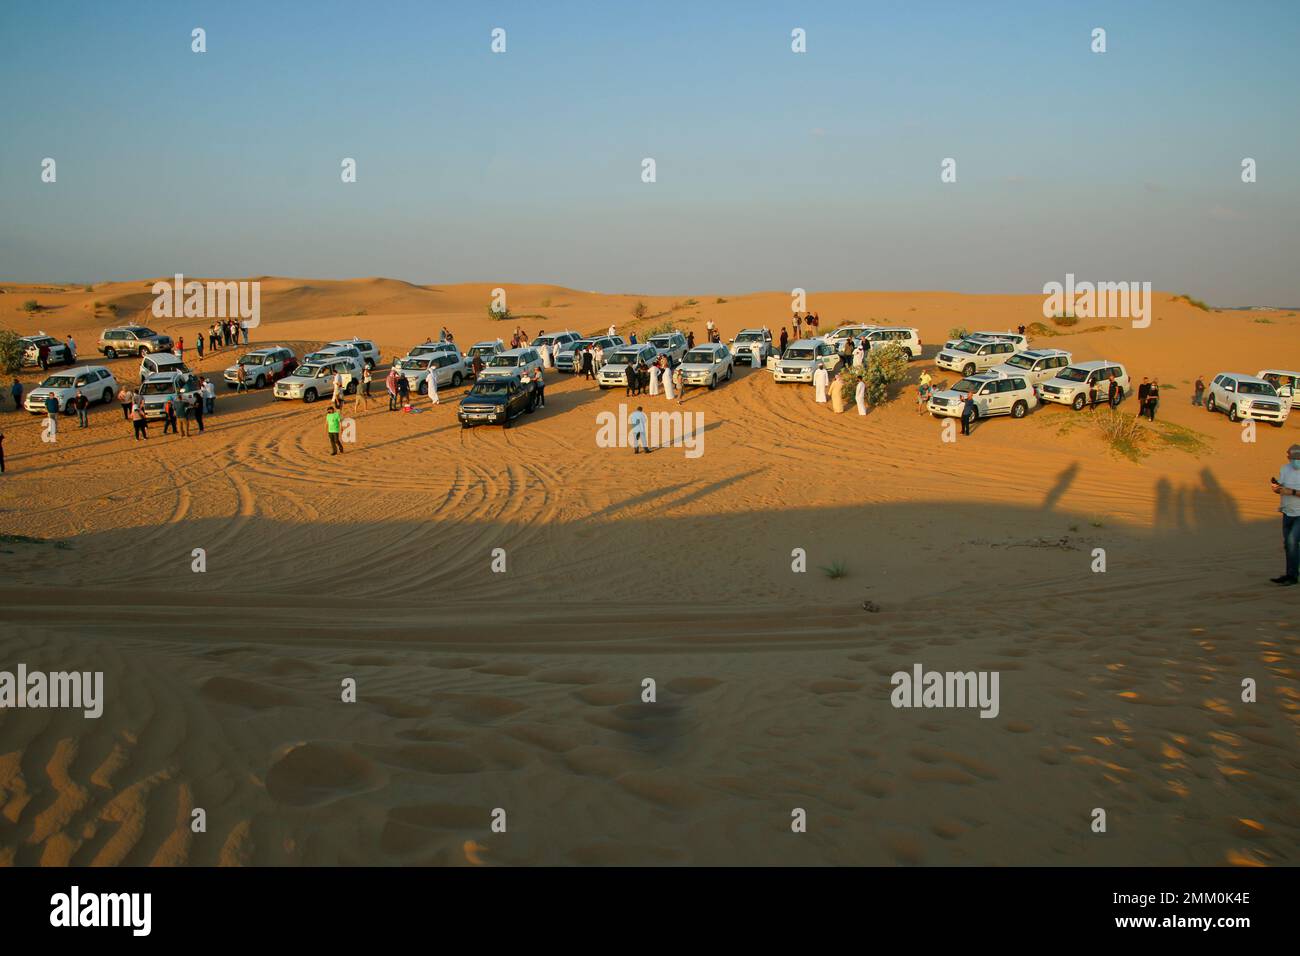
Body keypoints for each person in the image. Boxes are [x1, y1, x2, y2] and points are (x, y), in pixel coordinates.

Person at [1269, 444, 1300, 585]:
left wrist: (1291, 492)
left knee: (1292, 541)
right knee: (1288, 545)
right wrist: (1276, 488)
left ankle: (1293, 577)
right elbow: (1280, 489)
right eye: (1293, 457)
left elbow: (1289, 491)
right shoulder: (1284, 468)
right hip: (1287, 512)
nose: (1295, 460)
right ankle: (1290, 574)